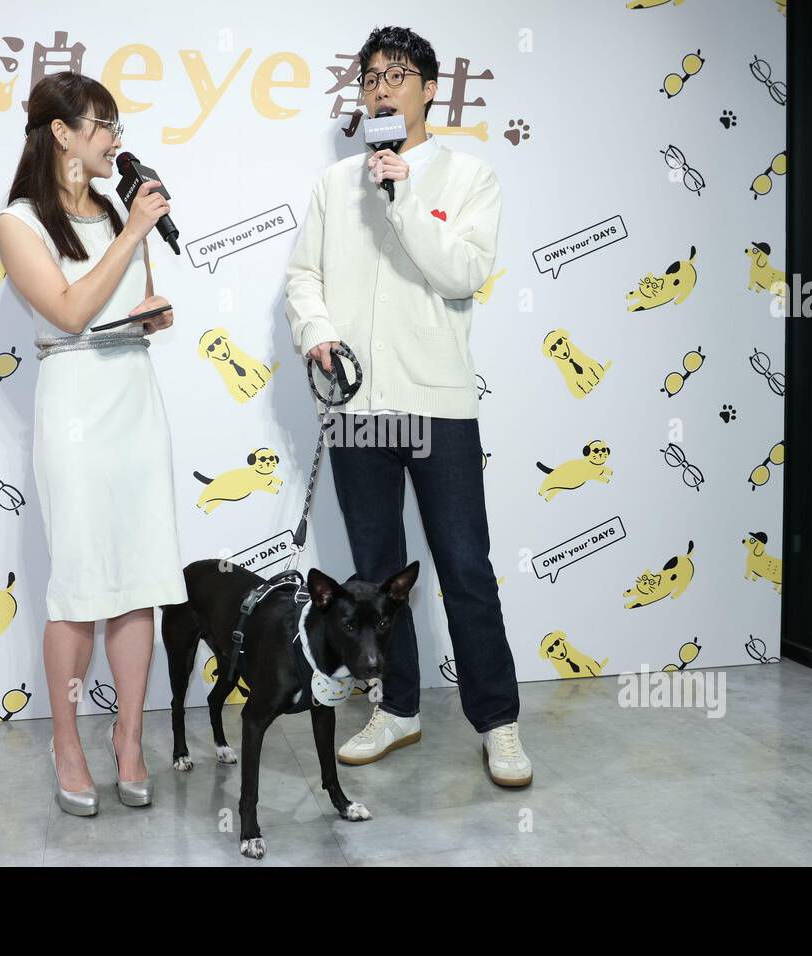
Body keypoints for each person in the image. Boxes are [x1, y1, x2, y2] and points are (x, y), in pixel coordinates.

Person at [284, 26, 531, 786]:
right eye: (370, 79)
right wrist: (319, 335)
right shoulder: (334, 186)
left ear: (429, 88)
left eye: (397, 75)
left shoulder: (467, 179)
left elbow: (462, 273)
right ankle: (397, 708)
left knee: (464, 568)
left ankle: (499, 723)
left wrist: (403, 198)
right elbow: (303, 280)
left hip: (437, 405)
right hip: (362, 407)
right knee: (375, 574)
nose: (382, 88)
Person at [0, 71, 188, 816]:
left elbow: (125, 303)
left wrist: (154, 312)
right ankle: (67, 742)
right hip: (72, 403)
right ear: (61, 134)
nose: (115, 141)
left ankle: (130, 740)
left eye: (116, 126)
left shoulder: (114, 210)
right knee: (79, 583)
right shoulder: (19, 223)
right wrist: (135, 230)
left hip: (134, 398)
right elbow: (70, 312)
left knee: (138, 580)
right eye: (102, 125)